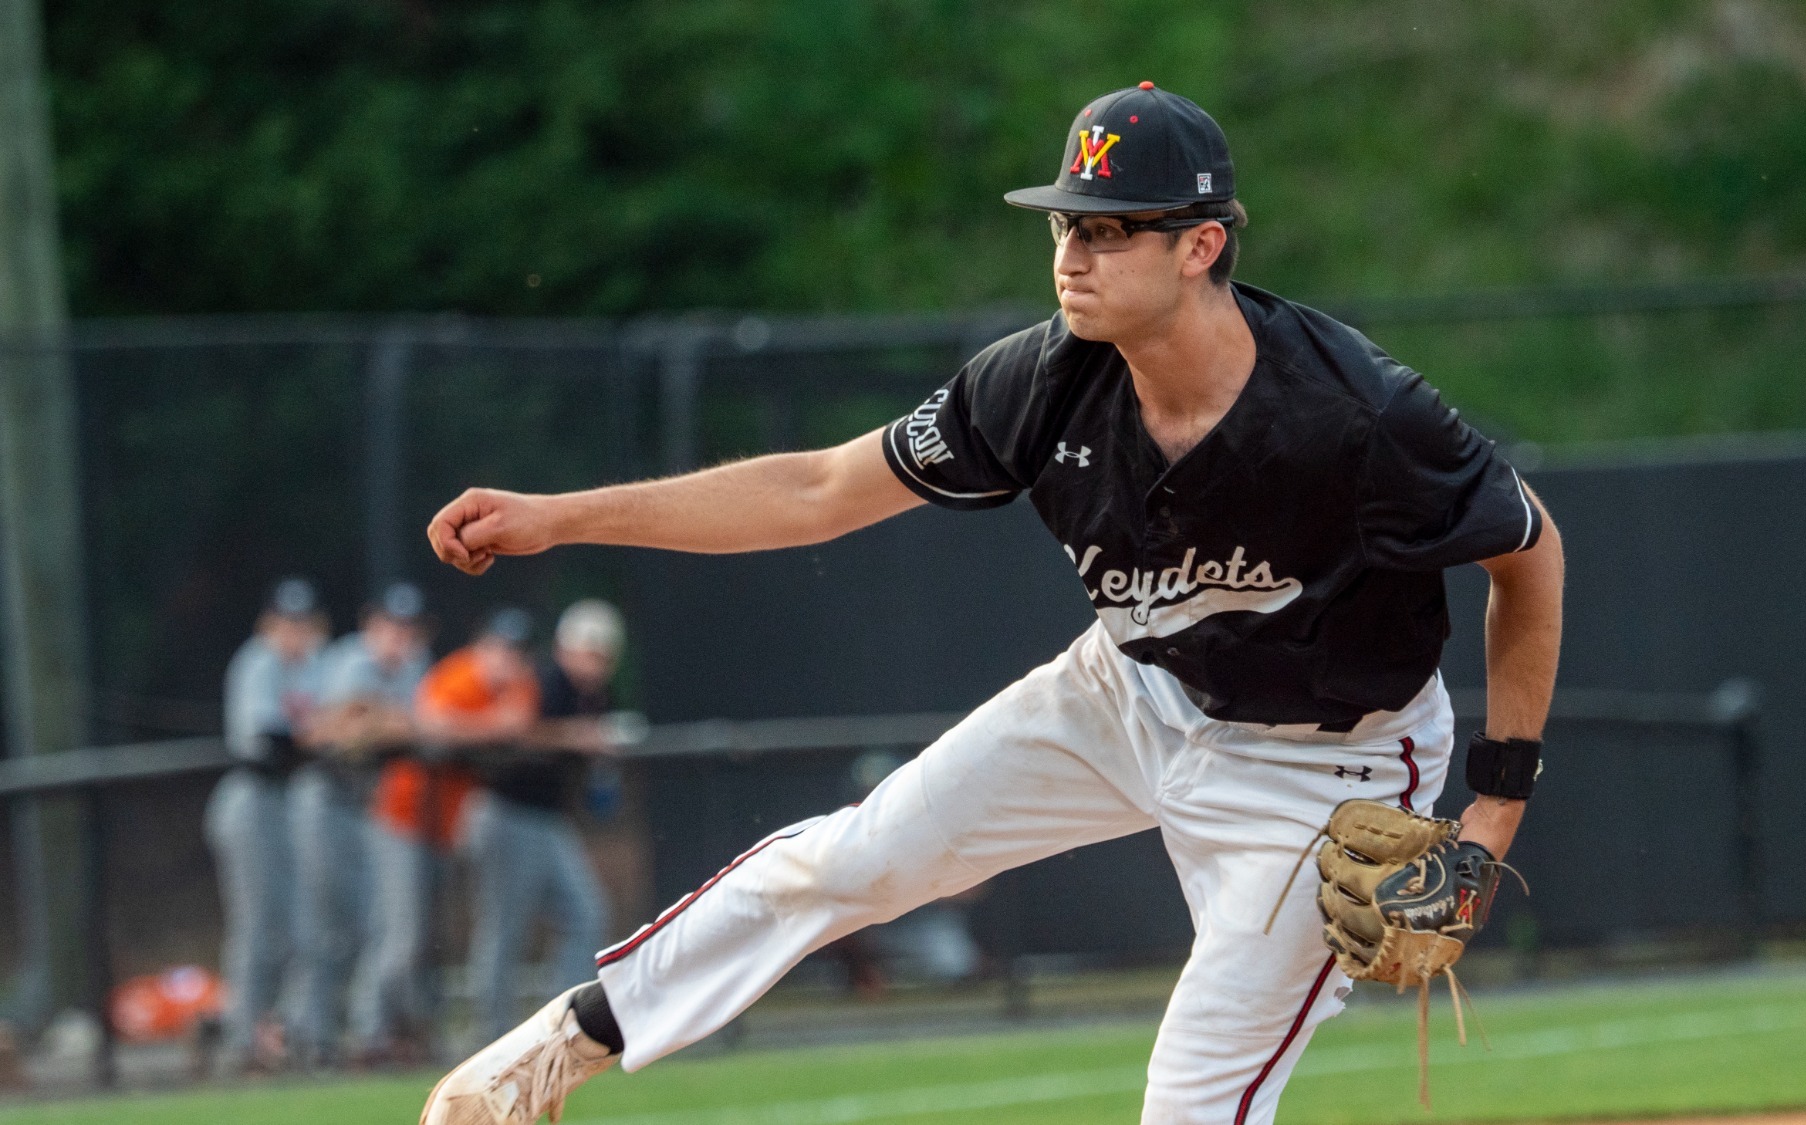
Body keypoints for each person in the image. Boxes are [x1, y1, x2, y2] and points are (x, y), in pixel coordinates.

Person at [420, 82, 1564, 1125]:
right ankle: (566, 1045)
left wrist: (1492, 810)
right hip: (1132, 688)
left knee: (1192, 1102)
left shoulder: (1354, 416)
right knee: (863, 856)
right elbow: (818, 489)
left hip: (1326, 764)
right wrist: (561, 515)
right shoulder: (1037, 380)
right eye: (1064, 221)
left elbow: (1529, 552)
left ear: (1199, 245)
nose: (1072, 253)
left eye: (1110, 228)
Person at [350, 607, 535, 1065]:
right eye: (497, 647)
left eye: (514, 651)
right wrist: (489, 727)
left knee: (422, 935)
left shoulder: (518, 682)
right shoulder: (459, 675)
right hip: (401, 818)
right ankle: (368, 1032)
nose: (504, 659)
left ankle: (406, 1032)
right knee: (401, 934)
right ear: (481, 645)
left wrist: (471, 728)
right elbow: (431, 720)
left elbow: (521, 722)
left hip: (445, 825)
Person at [464, 599, 624, 1042]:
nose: (595, 663)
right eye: (588, 652)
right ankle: (489, 1035)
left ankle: (560, 1025)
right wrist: (572, 737)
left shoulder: (597, 695)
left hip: (548, 818)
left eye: (604, 655)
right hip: (506, 810)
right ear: (565, 648)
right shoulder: (539, 679)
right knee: (504, 927)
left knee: (587, 913)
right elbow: (513, 729)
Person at [289, 580, 431, 1068]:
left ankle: (367, 1034)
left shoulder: (414, 666)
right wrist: (373, 720)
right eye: (391, 626)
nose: (399, 636)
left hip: (375, 808)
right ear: (372, 625)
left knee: (387, 925)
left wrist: (371, 717)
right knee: (326, 926)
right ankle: (309, 1035)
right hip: (324, 803)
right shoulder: (348, 661)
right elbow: (324, 732)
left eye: (407, 628)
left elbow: (416, 724)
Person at [206, 576, 326, 1073]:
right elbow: (272, 736)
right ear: (268, 624)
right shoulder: (257, 661)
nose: (293, 632)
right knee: (256, 925)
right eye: (285, 622)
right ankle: (241, 1041)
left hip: (292, 803)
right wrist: (332, 728)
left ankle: (289, 1034)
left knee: (303, 924)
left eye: (302, 622)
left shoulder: (317, 667)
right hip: (250, 798)